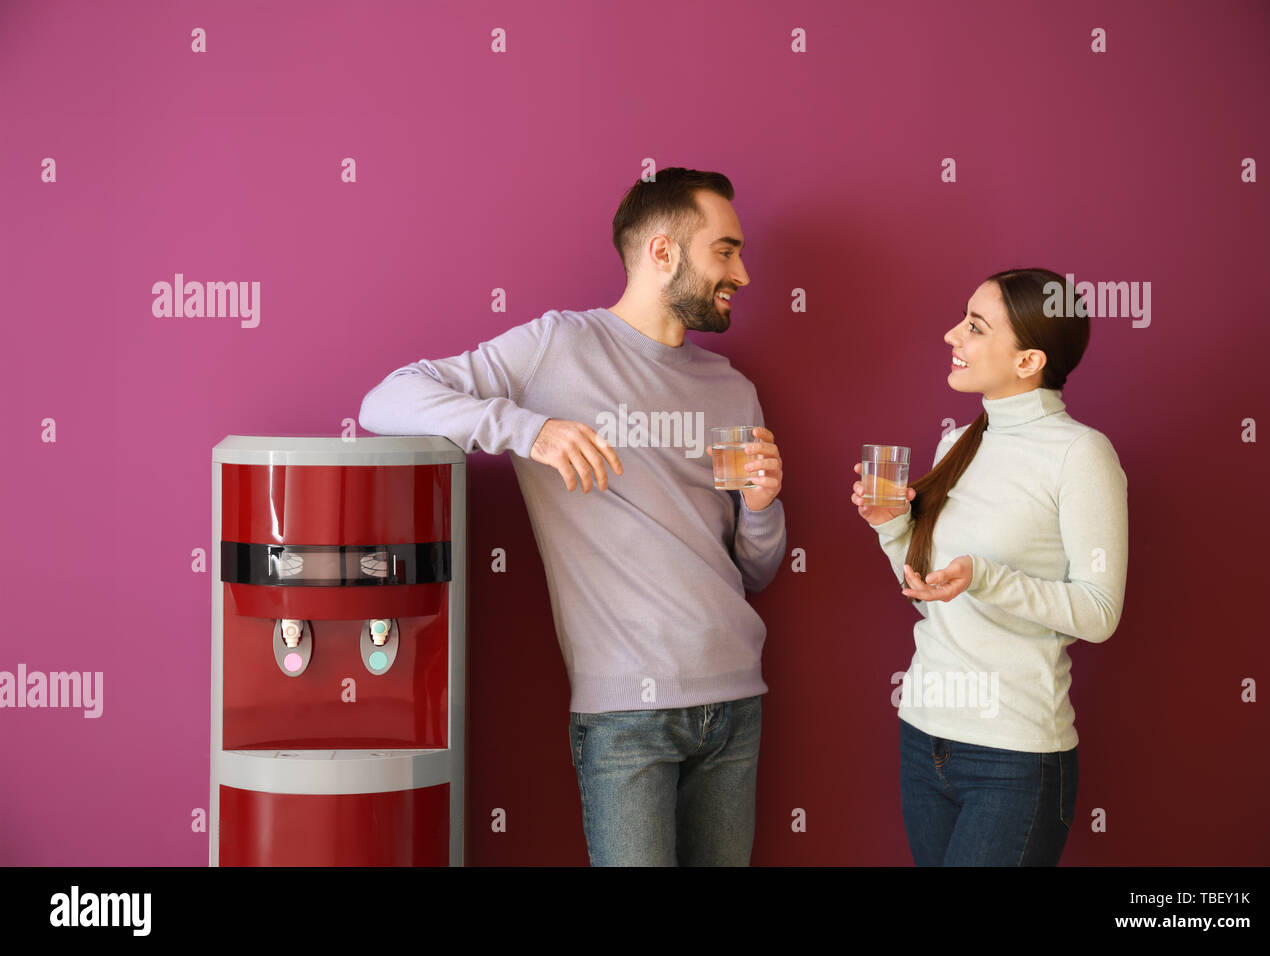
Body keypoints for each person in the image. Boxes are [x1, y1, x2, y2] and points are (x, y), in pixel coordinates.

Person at [358, 167, 786, 866]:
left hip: (737, 702)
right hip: (624, 715)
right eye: (726, 250)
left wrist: (765, 509)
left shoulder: (732, 391)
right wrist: (528, 430)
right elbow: (387, 400)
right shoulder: (557, 347)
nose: (742, 271)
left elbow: (757, 571)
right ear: (663, 252)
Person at [851, 268, 1128, 866]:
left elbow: (1099, 614)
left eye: (975, 326)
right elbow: (931, 595)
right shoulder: (957, 444)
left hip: (1015, 755)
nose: (952, 335)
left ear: (1029, 360)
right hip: (925, 738)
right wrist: (890, 526)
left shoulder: (1081, 454)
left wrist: (987, 576)